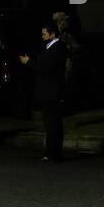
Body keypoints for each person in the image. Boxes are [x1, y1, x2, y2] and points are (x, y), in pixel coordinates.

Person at [19, 20, 68, 162]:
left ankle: (54, 154)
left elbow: (46, 68)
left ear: (52, 34)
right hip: (48, 92)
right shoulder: (50, 47)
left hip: (52, 92)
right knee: (50, 124)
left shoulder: (57, 48)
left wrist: (29, 62)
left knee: (53, 124)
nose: (42, 36)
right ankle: (51, 153)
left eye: (44, 34)